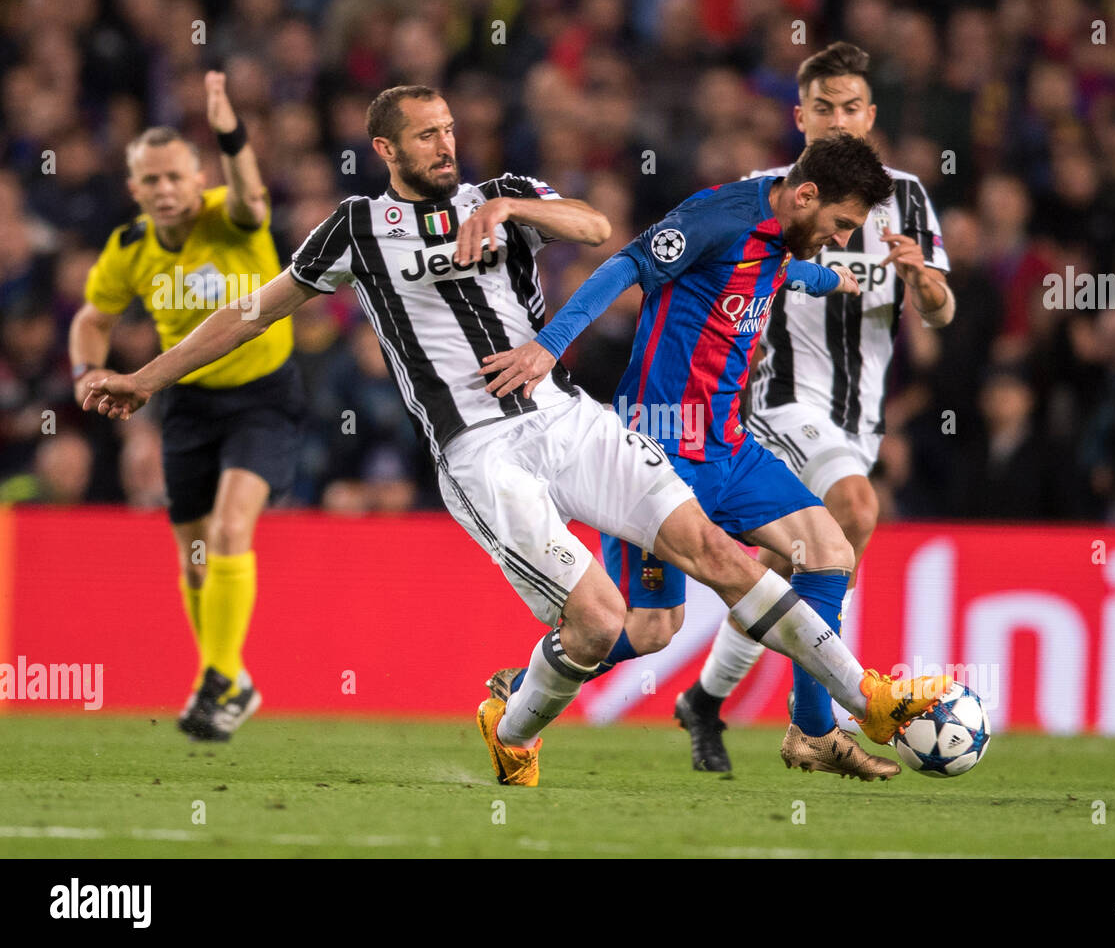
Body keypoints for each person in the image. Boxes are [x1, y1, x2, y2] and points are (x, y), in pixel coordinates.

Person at [85, 85, 949, 787]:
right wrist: (146, 378)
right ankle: (515, 725)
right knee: (602, 621)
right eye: (424, 136)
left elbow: (598, 228)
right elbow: (248, 312)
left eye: (449, 129)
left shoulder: (496, 195)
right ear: (385, 150)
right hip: (480, 450)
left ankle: (864, 697)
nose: (444, 145)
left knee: (720, 557)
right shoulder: (355, 228)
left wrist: (507, 208)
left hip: (571, 417)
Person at [483, 133, 950, 781]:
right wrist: (549, 346)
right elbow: (624, 266)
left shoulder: (783, 240)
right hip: (658, 448)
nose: (840, 235)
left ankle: (813, 731)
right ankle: (536, 675)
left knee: (831, 553)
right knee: (652, 628)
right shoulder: (717, 218)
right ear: (806, 194)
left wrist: (829, 279)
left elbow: (779, 272)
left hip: (729, 445)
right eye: (840, 225)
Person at [679, 42, 957, 774]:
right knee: (854, 511)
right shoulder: (769, 193)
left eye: (850, 107)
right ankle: (812, 723)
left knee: (788, 559)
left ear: (871, 115)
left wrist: (919, 276)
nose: (837, 119)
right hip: (777, 398)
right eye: (822, 107)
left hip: (859, 416)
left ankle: (706, 698)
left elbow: (942, 311)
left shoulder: (908, 199)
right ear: (798, 115)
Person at [71, 72, 300, 741]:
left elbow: (256, 199)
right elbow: (91, 318)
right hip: (189, 406)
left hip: (264, 397)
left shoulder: (230, 217)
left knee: (231, 530)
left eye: (176, 176)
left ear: (198, 178)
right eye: (151, 180)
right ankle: (229, 679)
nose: (166, 190)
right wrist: (87, 371)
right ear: (134, 190)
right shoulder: (128, 250)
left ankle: (219, 679)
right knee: (195, 557)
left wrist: (230, 128)